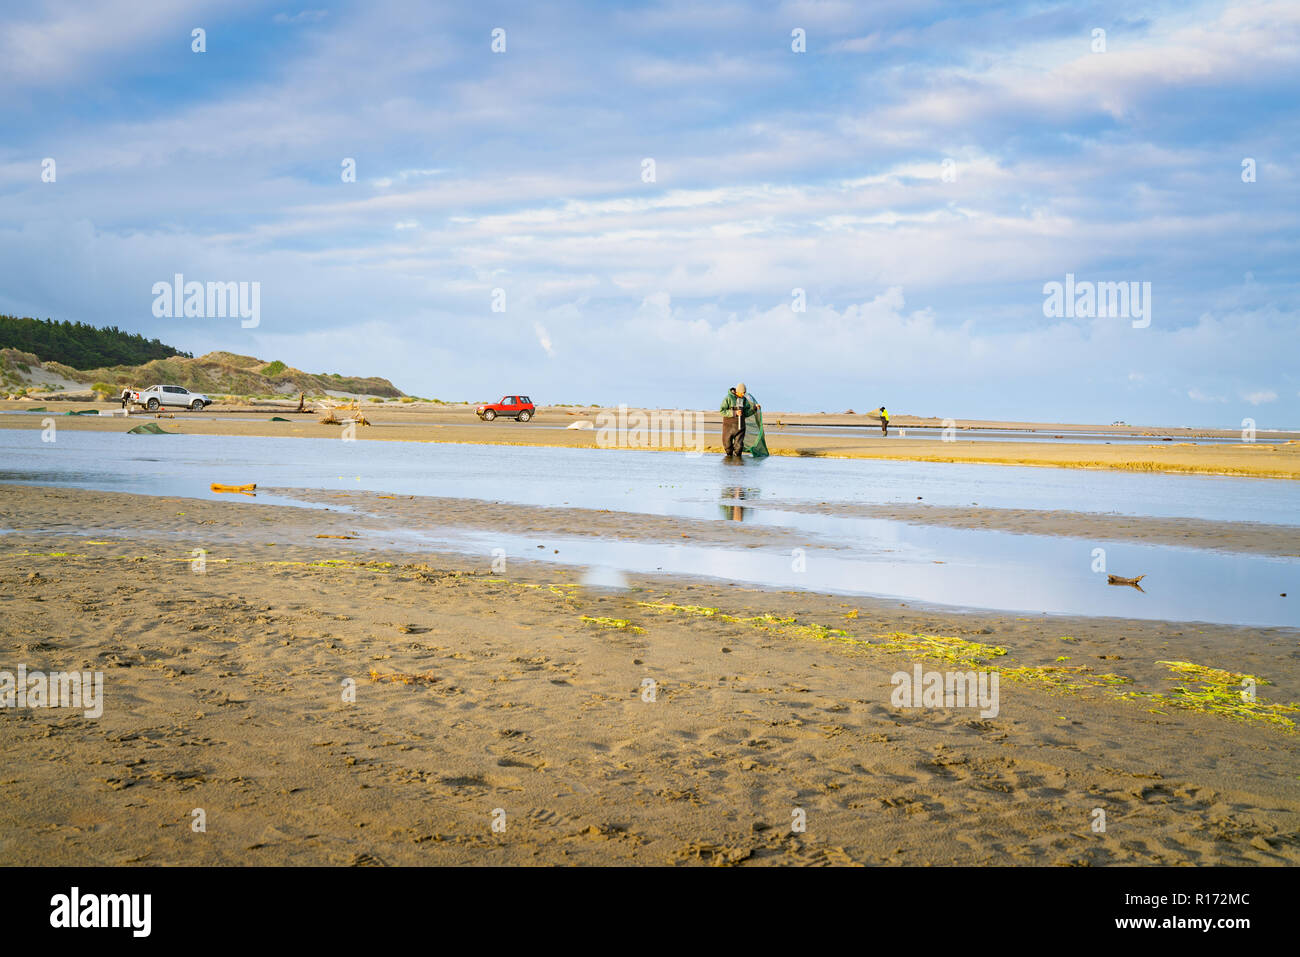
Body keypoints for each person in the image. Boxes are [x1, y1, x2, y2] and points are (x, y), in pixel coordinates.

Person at [720, 383, 758, 457]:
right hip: (728, 427)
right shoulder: (728, 398)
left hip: (740, 427)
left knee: (739, 447)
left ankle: (738, 464)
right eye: (743, 393)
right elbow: (722, 411)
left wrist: (754, 409)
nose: (744, 394)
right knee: (727, 446)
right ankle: (729, 461)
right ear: (738, 391)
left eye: (745, 393)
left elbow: (746, 413)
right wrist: (735, 413)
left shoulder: (744, 400)